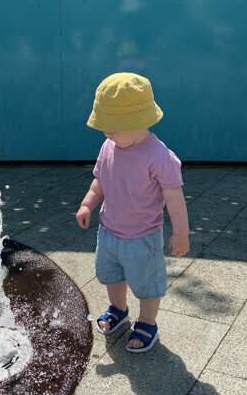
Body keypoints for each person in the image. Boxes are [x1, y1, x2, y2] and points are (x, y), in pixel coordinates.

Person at [76, 72, 190, 353]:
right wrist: (88, 203)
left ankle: (147, 321)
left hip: (142, 238)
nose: (107, 133)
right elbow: (100, 180)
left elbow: (175, 198)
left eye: (112, 127)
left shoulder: (160, 158)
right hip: (109, 231)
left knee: (147, 283)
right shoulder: (109, 146)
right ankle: (118, 309)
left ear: (138, 122)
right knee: (111, 276)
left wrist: (180, 233)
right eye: (104, 127)